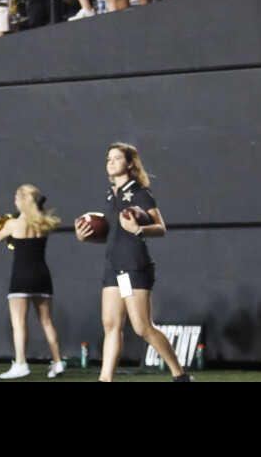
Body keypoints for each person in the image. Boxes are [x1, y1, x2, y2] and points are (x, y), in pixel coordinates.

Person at [74, 142, 194, 382]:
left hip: (133, 267)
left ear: (130, 163)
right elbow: (113, 236)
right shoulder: (111, 194)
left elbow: (160, 228)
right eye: (108, 159)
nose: (111, 162)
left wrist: (139, 229)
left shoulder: (139, 192)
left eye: (117, 158)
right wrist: (85, 237)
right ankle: (105, 379)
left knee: (142, 328)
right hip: (113, 267)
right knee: (111, 325)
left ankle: (180, 376)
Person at [0, 185, 65, 379]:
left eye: (16, 199)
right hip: (42, 276)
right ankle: (58, 362)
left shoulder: (13, 224)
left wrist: (6, 224)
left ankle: (21, 364)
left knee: (19, 323)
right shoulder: (44, 224)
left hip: (21, 277)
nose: (15, 202)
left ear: (21, 201)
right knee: (47, 322)